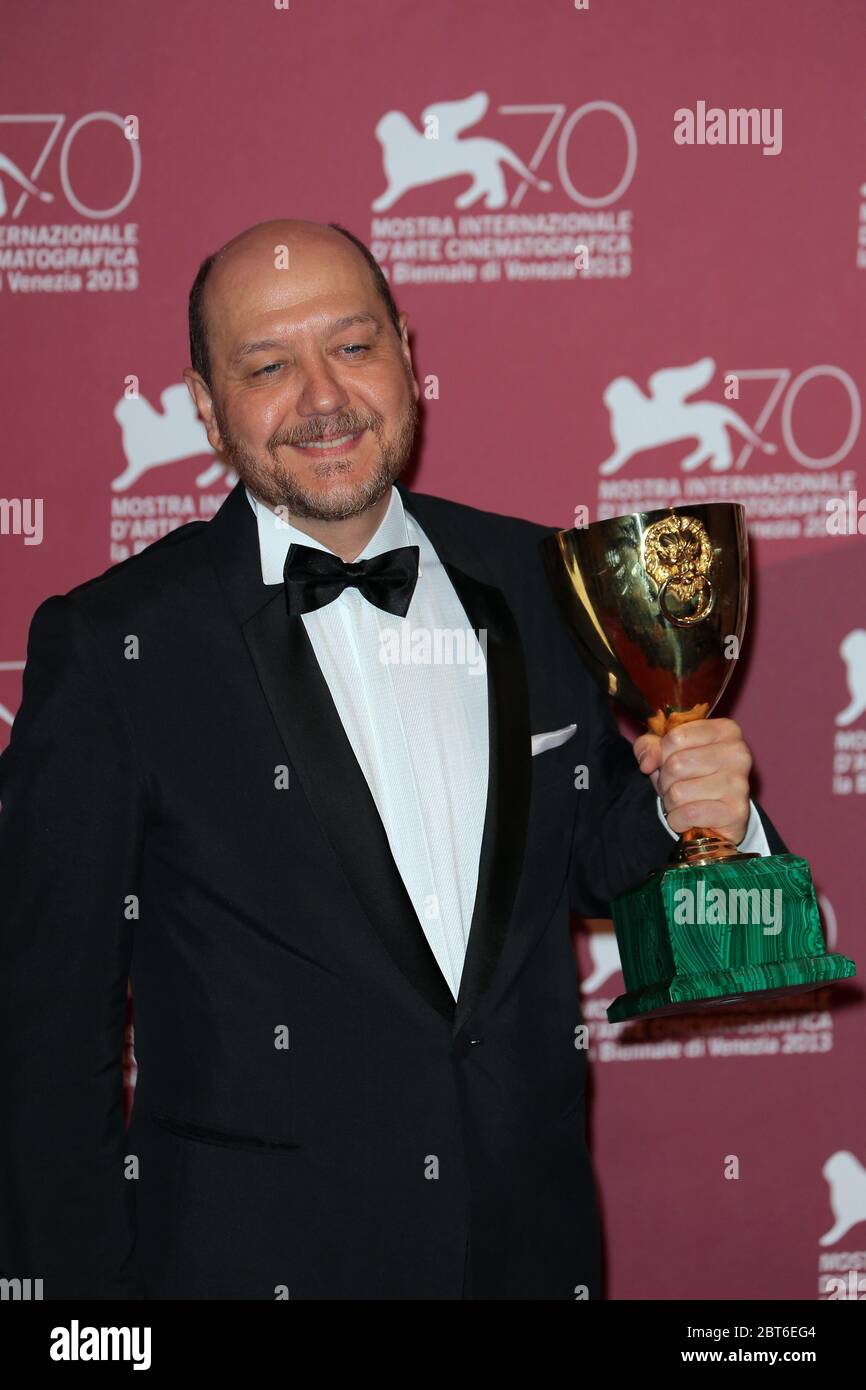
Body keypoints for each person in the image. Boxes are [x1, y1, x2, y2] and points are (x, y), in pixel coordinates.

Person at [0, 219, 783, 1300]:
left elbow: (592, 854)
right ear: (203, 403)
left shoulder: (534, 574)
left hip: (526, 1248)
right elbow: (46, 1030)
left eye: (353, 346)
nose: (322, 397)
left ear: (407, 351)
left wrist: (692, 814)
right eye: (266, 366)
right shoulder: (115, 646)